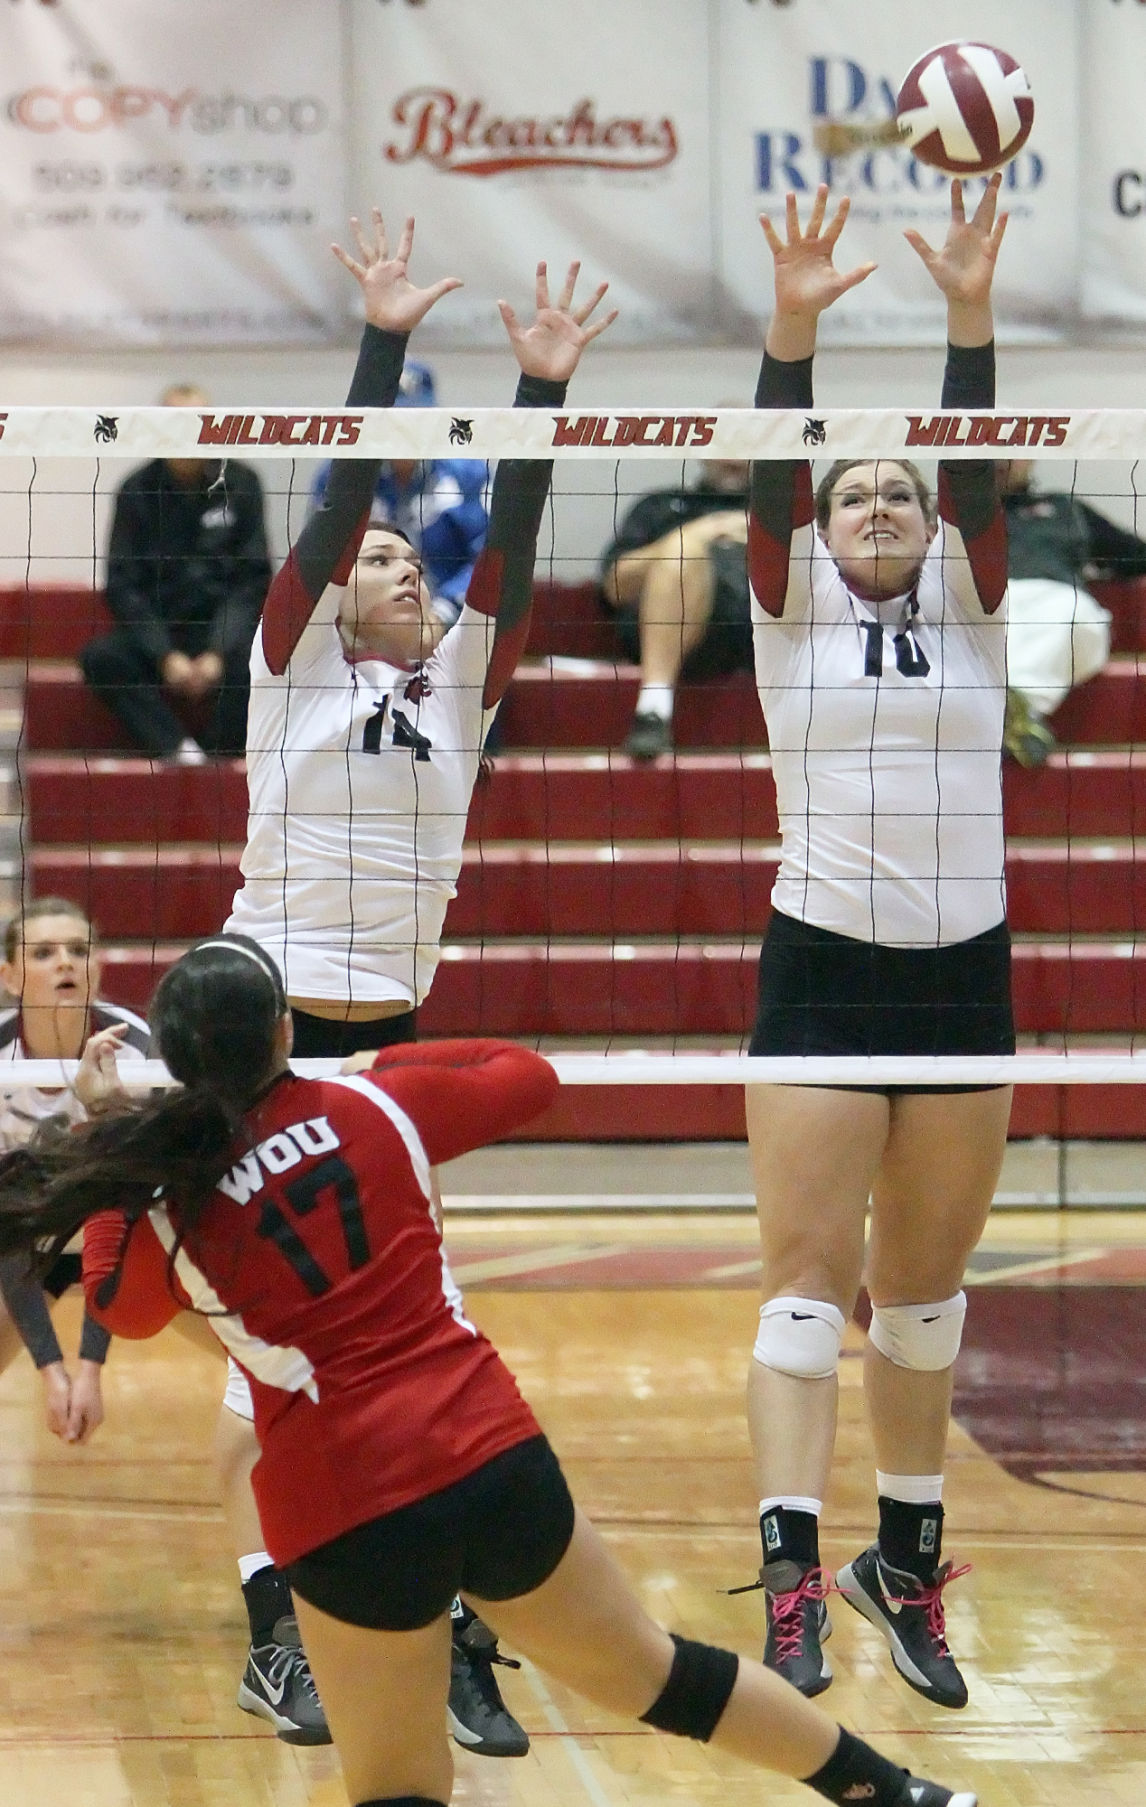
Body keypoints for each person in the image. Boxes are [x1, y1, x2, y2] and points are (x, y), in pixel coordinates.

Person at [0, 934, 976, 1807]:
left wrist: (110, 1141)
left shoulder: (171, 1206)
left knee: (399, 1788)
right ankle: (896, 1792)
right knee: (660, 1673)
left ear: (171, 1064)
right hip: (485, 1456)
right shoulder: (376, 1101)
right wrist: (383, 1056)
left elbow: (119, 1304)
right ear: (285, 1029)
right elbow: (524, 1073)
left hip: (343, 1510)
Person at [218, 209, 616, 1754]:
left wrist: (544, 394)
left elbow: (506, 536)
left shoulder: (464, 684)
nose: (396, 568)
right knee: (277, 1344)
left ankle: (444, 1616)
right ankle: (285, 1634)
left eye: (410, 560)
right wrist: (379, 346)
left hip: (385, 1045)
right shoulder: (292, 664)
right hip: (264, 1032)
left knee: (410, 1330)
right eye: (374, 560)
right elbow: (328, 511)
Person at [743, 178, 1013, 1709]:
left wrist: (966, 316)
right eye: (856, 496)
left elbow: (976, 468)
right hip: (825, 967)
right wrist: (791, 332)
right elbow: (776, 472)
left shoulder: (975, 606)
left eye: (899, 495)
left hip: (962, 972)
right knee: (801, 1290)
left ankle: (899, 1562)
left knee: (921, 1298)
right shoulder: (791, 613)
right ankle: (789, 1580)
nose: (882, 507)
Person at [0, 897, 149, 1442]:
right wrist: (52, 1373)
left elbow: (123, 1205)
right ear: (10, 977)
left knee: (237, 1334)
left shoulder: (137, 1055)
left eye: (78, 950)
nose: (65, 962)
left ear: (97, 968)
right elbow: (5, 1229)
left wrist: (90, 1368)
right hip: (26, 1244)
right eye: (43, 953)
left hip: (126, 1241)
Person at [80, 383, 272, 765]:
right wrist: (164, 654)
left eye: (197, 423)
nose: (187, 435)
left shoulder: (242, 484)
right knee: (100, 658)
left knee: (262, 661)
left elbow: (253, 580)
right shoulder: (136, 491)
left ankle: (219, 752)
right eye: (176, 423)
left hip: (222, 631)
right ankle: (179, 750)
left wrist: (218, 650)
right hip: (160, 631)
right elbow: (122, 586)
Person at [309, 357, 489, 630]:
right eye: (395, 420)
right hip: (363, 626)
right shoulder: (341, 475)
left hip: (454, 625)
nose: (406, 430)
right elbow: (320, 557)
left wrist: (441, 614)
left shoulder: (470, 476)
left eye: (416, 417)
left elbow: (489, 560)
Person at [601, 456, 752, 760]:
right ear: (704, 451)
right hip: (668, 631)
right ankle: (653, 709)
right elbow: (615, 588)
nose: (734, 457)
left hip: (756, 635)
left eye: (744, 443)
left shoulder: (785, 513)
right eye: (725, 444)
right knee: (683, 552)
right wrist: (694, 535)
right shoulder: (661, 505)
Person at [998, 458, 1146, 765]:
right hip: (994, 611)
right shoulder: (952, 517)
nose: (1004, 458)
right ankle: (1019, 719)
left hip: (1062, 610)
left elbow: (1136, 556)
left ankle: (1012, 712)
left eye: (1013, 449)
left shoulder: (1066, 509)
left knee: (1075, 614)